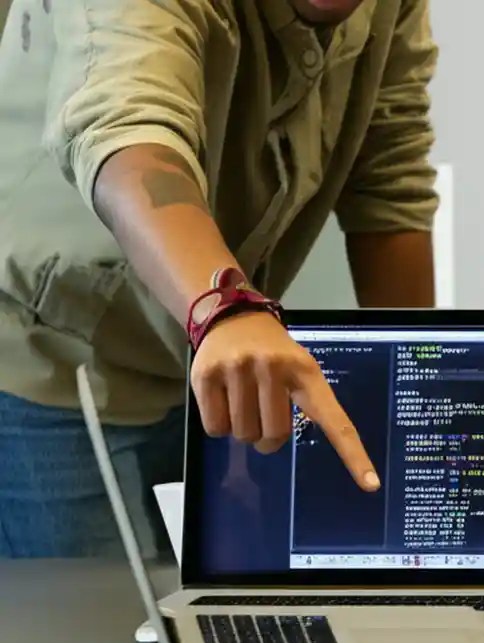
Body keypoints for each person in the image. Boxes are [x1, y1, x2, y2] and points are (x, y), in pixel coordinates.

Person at [0, 0, 439, 558]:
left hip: (204, 357)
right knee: (99, 630)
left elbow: (390, 177)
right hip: (47, 353)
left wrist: (414, 390)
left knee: (217, 622)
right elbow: (126, 128)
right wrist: (225, 306)